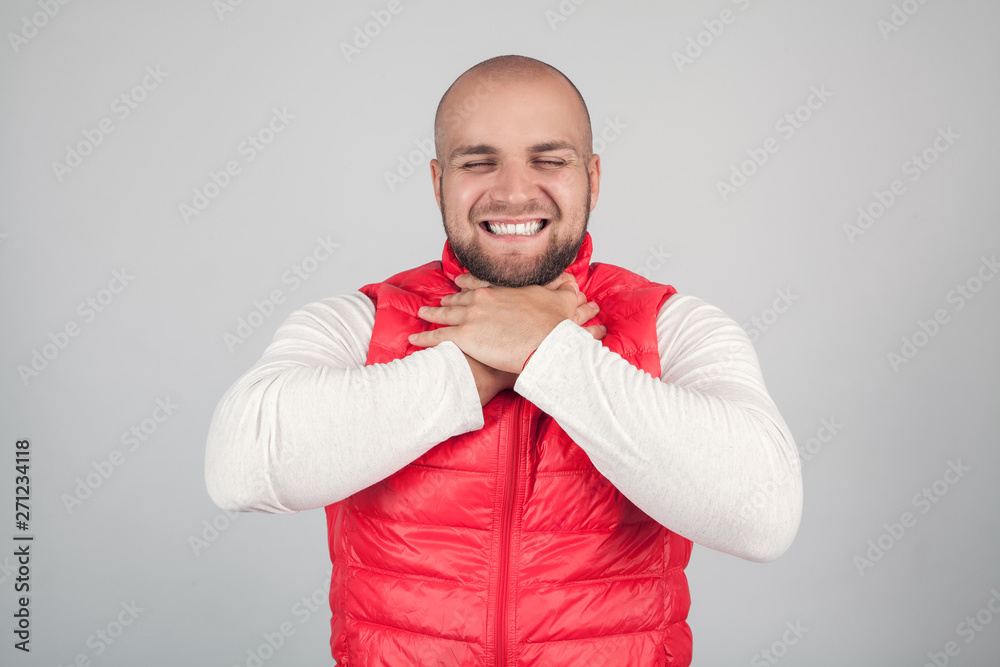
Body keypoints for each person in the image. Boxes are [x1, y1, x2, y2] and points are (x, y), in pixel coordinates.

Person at [205, 54, 802, 667]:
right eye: (478, 161)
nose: (514, 191)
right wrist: (475, 365)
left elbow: (763, 516)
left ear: (593, 178)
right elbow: (241, 471)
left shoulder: (671, 326)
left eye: (549, 160)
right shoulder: (359, 323)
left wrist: (553, 356)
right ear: (438, 181)